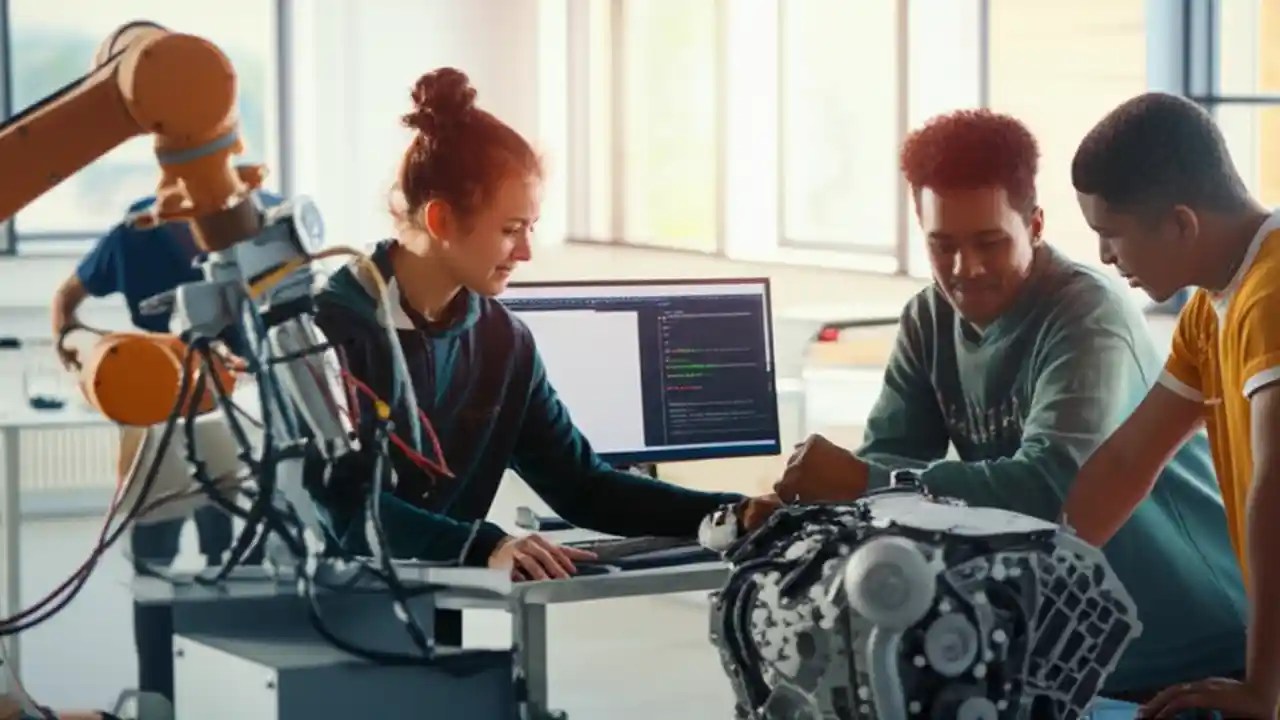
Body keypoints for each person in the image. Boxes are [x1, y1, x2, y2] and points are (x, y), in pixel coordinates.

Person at [756, 109, 1247, 701]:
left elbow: (1053, 488)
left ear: (1035, 224)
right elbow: (886, 466)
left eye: (990, 242)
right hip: (1063, 653)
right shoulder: (929, 319)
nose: (966, 270)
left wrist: (868, 480)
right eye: (943, 246)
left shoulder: (1090, 313)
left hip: (1200, 644)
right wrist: (802, 515)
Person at [310, 67, 745, 644]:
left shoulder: (501, 339)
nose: (527, 251)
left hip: (423, 619)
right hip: (311, 618)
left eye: (531, 227)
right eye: (511, 229)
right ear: (441, 220)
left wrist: (734, 516)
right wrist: (484, 546)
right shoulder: (325, 330)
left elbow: (581, 485)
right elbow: (344, 513)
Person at [1063, 92, 1280, 719]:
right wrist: (1042, 582)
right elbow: (1131, 458)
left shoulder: (1271, 295)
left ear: (1182, 223)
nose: (1105, 256)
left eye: (1112, 235)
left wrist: (1265, 688)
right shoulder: (1208, 312)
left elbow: (1277, 487)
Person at [49, 188, 282, 702]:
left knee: (240, 568)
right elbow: (66, 299)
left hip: (238, 408)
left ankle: (237, 696)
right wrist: (81, 352)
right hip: (157, 409)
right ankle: (161, 700)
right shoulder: (137, 233)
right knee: (154, 571)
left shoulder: (260, 218)